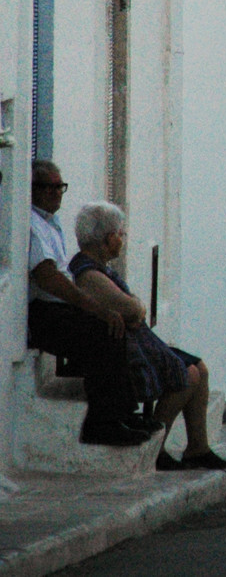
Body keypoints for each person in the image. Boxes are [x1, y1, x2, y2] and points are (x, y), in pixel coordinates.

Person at [69, 201, 226, 470]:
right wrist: (136, 307)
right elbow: (133, 309)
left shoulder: (101, 269)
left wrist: (135, 308)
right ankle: (155, 447)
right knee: (188, 375)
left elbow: (132, 308)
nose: (122, 239)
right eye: (120, 234)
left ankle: (198, 448)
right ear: (108, 238)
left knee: (200, 369)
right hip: (128, 351)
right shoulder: (89, 274)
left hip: (139, 344)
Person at [25, 161, 148, 447]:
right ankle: (101, 423)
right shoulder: (31, 225)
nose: (57, 193)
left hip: (58, 308)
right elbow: (48, 277)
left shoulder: (50, 223)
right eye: (49, 187)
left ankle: (121, 413)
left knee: (110, 329)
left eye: (60, 187)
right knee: (103, 331)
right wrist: (95, 308)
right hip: (43, 312)